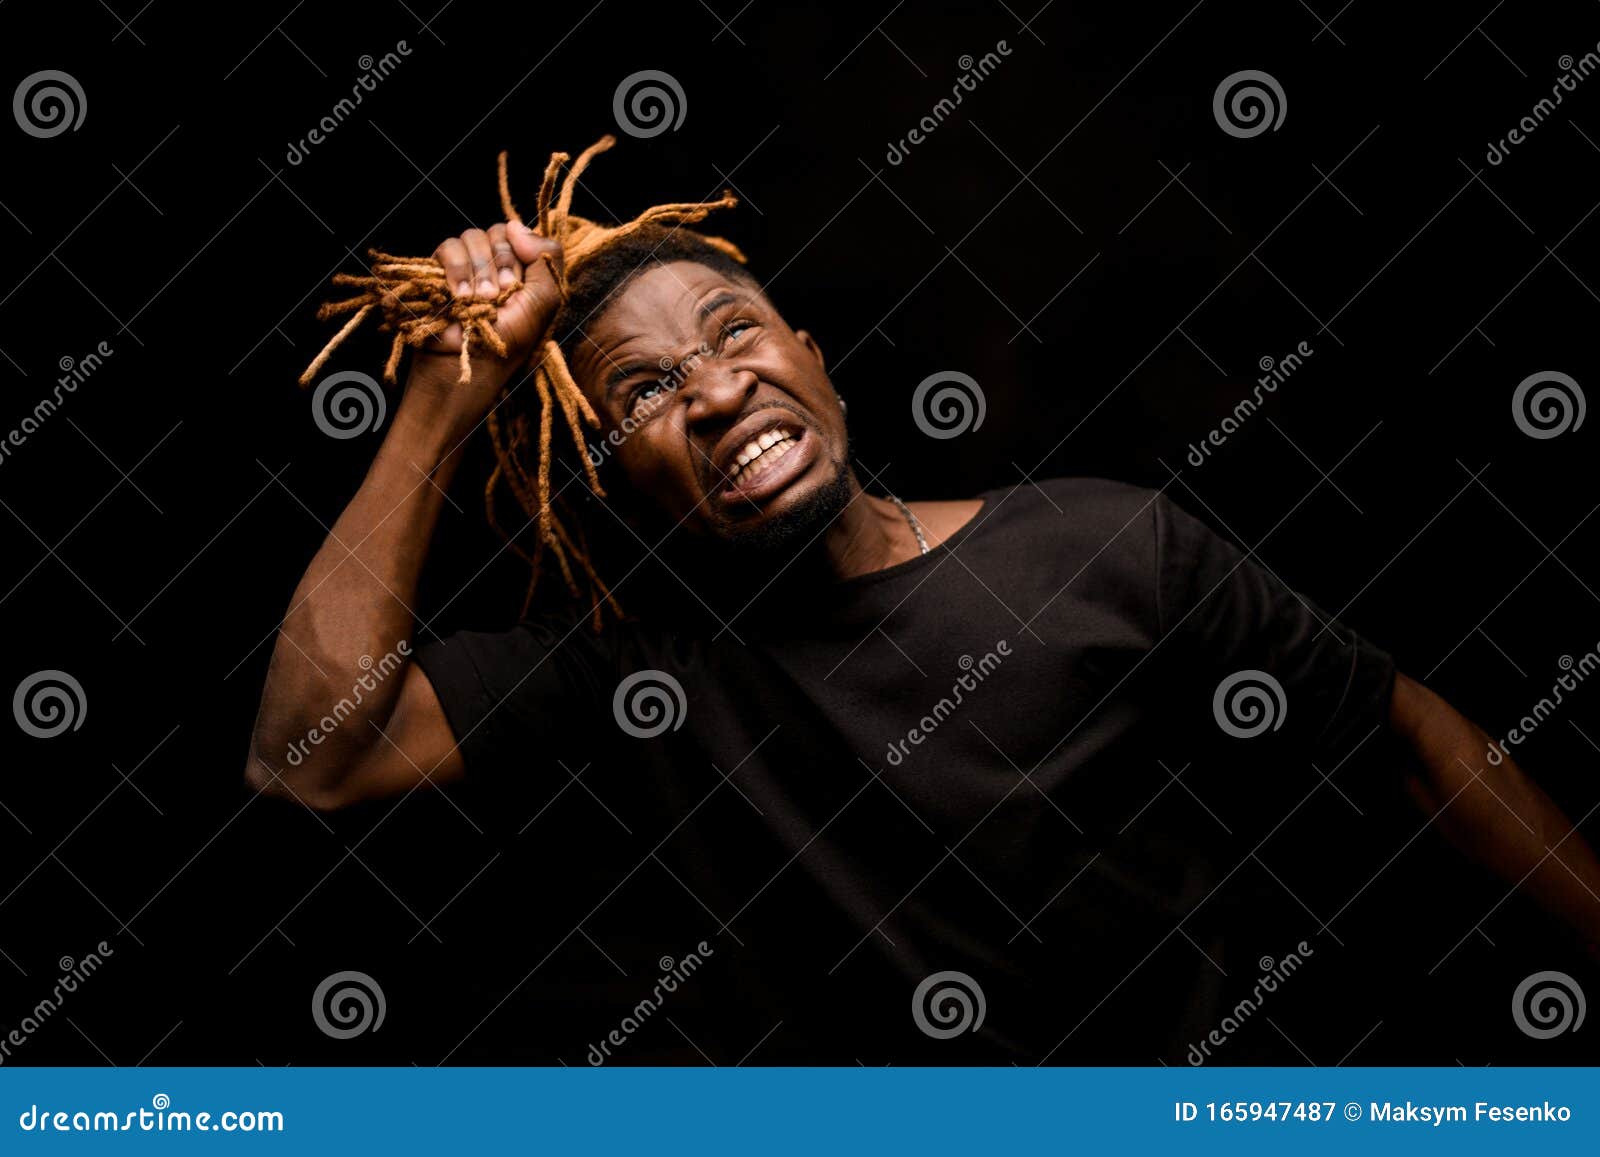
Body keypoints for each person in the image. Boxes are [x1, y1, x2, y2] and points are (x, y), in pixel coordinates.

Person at [245, 211, 1600, 1064]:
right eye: (646, 391)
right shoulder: (632, 669)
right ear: (617, 476)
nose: (717, 390)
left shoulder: (1105, 546)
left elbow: (1408, 735)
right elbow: (311, 759)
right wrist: (444, 400)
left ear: (815, 356)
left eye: (735, 334)